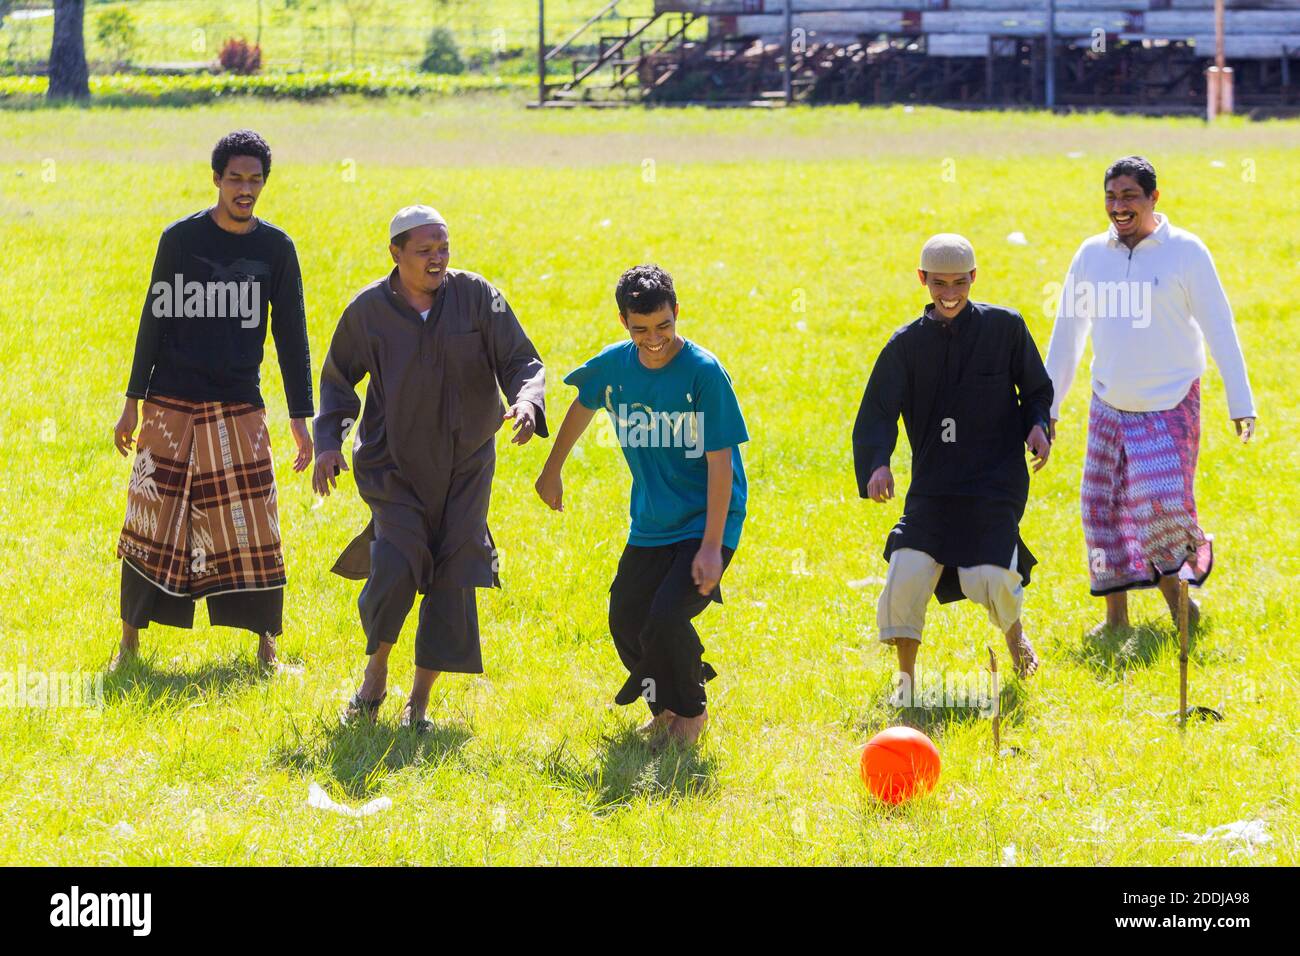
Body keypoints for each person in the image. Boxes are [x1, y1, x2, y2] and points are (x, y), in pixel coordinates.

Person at [313, 205, 547, 731]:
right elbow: (336, 380)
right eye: (425, 251)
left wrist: (527, 402)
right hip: (392, 465)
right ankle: (375, 674)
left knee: (455, 573)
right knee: (395, 562)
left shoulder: (476, 296)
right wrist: (328, 442)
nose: (438, 259)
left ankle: (417, 704)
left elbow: (521, 361)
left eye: (444, 248)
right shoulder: (368, 311)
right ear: (395, 254)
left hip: (465, 466)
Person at [112, 129, 314, 671]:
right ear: (217, 180)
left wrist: (301, 417)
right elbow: (152, 323)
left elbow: (291, 334)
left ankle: (267, 649)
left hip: (237, 402)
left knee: (254, 521)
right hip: (170, 403)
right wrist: (132, 401)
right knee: (151, 519)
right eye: (235, 179)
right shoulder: (179, 240)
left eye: (254, 180)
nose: (244, 189)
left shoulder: (276, 249)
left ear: (264, 183)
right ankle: (129, 644)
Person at [535, 264, 748, 747]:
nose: (654, 339)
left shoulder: (703, 373)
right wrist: (553, 469)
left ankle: (691, 713)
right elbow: (584, 403)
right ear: (623, 322)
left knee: (669, 614)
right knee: (627, 617)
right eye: (641, 329)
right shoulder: (614, 365)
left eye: (664, 326)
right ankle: (666, 706)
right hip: (653, 520)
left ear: (678, 313)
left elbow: (722, 466)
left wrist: (712, 548)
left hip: (709, 517)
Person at [1044, 156, 1256, 634]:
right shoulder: (1091, 255)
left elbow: (1220, 328)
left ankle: (1182, 605)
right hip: (1108, 403)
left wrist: (1241, 403)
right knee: (1102, 509)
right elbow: (1067, 335)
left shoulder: (1185, 252)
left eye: (1129, 197)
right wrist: (1048, 409)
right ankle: (1115, 620)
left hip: (1170, 403)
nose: (1119, 207)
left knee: (1160, 508)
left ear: (1154, 199)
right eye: (1111, 197)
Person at [853, 234, 1053, 692]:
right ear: (922, 279)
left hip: (995, 481)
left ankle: (1016, 638)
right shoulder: (904, 346)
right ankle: (905, 680)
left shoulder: (1006, 328)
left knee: (991, 575)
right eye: (938, 283)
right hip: (934, 487)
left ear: (974, 278)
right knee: (905, 571)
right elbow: (877, 411)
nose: (949, 293)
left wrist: (1038, 425)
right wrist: (877, 464)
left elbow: (1036, 389)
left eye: (959, 283)